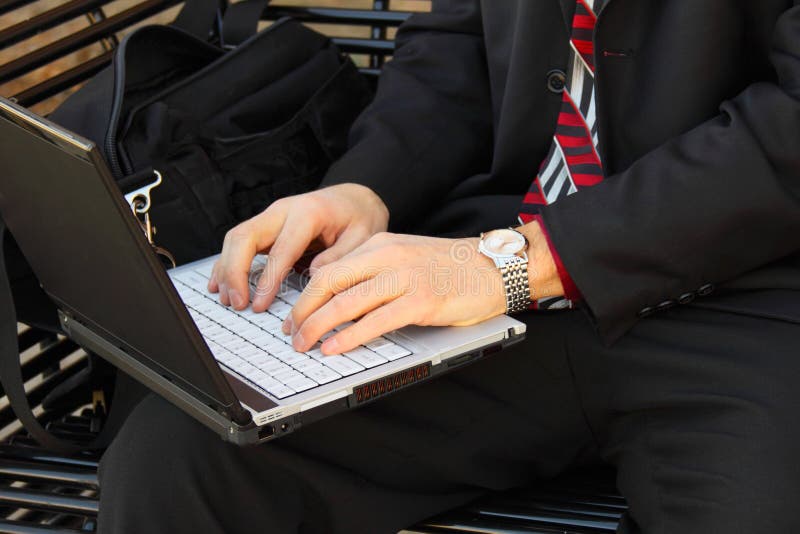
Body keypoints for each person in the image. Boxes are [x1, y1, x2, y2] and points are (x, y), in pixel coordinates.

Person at [97, 0, 800, 532]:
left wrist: (518, 263)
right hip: (479, 283)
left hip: (752, 296)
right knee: (179, 461)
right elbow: (461, 41)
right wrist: (367, 187)